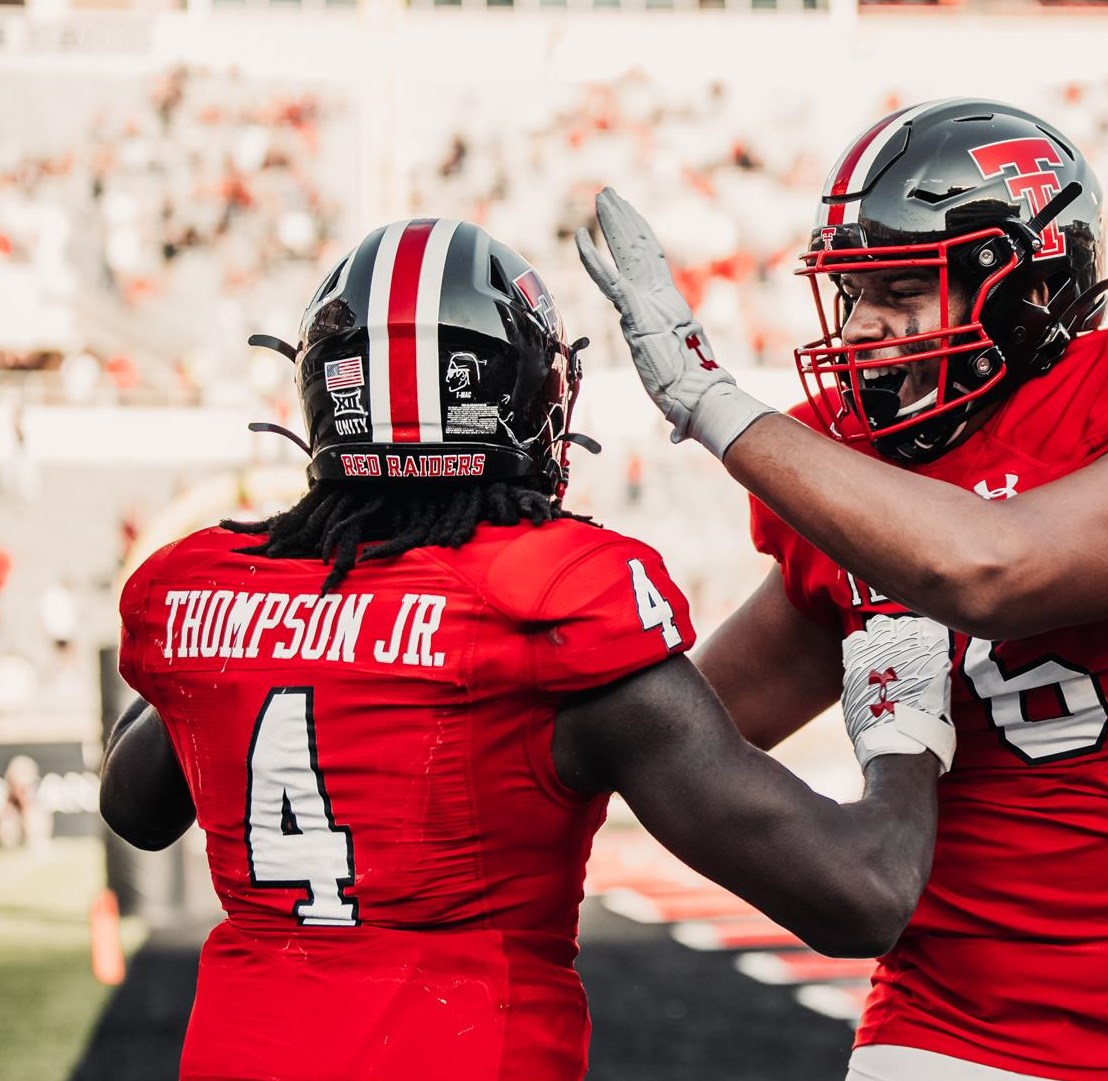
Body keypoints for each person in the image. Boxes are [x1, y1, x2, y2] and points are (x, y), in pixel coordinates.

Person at [101, 218, 954, 1081]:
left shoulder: (201, 583)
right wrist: (903, 730)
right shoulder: (554, 602)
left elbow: (135, 807)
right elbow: (862, 895)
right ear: (533, 399)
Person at [578, 98, 1108, 1081]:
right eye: (856, 296)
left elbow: (991, 568)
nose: (867, 333)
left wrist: (714, 402)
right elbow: (692, 729)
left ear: (1026, 296)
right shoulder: (852, 481)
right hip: (934, 1026)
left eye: (902, 293)